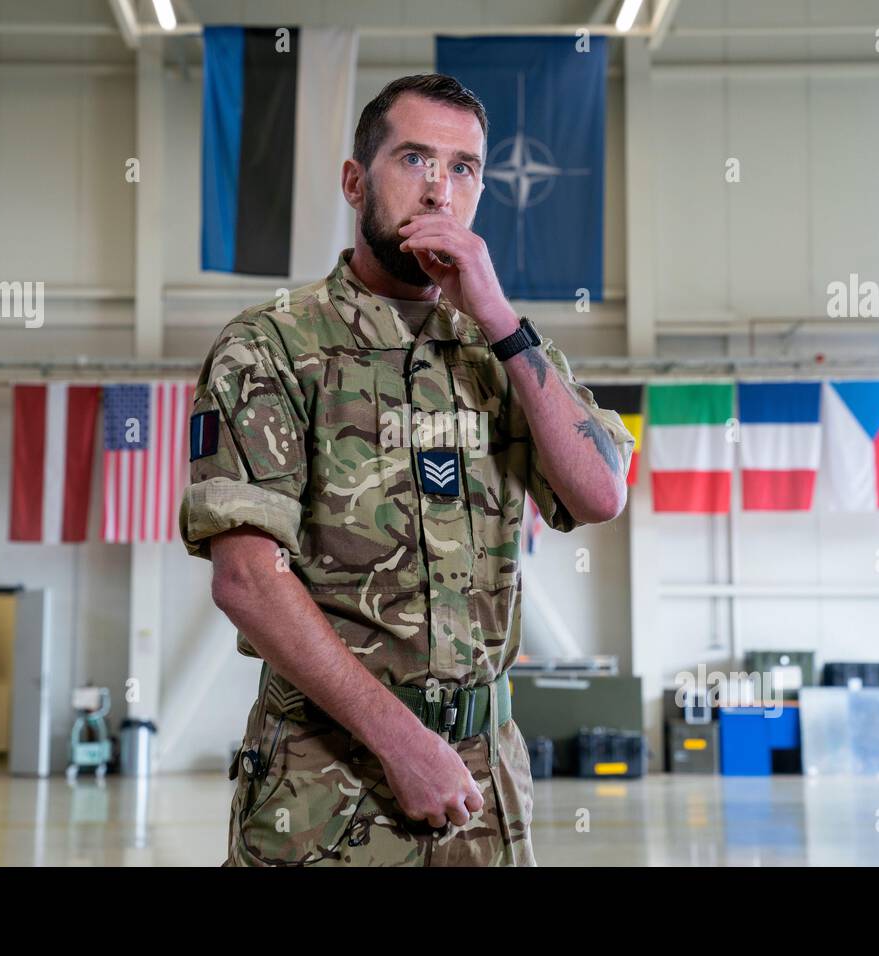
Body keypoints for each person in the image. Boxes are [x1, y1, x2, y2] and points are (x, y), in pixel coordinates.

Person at [179, 73, 634, 866]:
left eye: (463, 169)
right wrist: (402, 743)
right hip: (325, 784)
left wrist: (498, 318)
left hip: (485, 781)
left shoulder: (506, 348)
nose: (439, 190)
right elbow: (247, 579)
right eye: (414, 159)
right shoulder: (272, 346)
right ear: (356, 181)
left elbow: (599, 494)